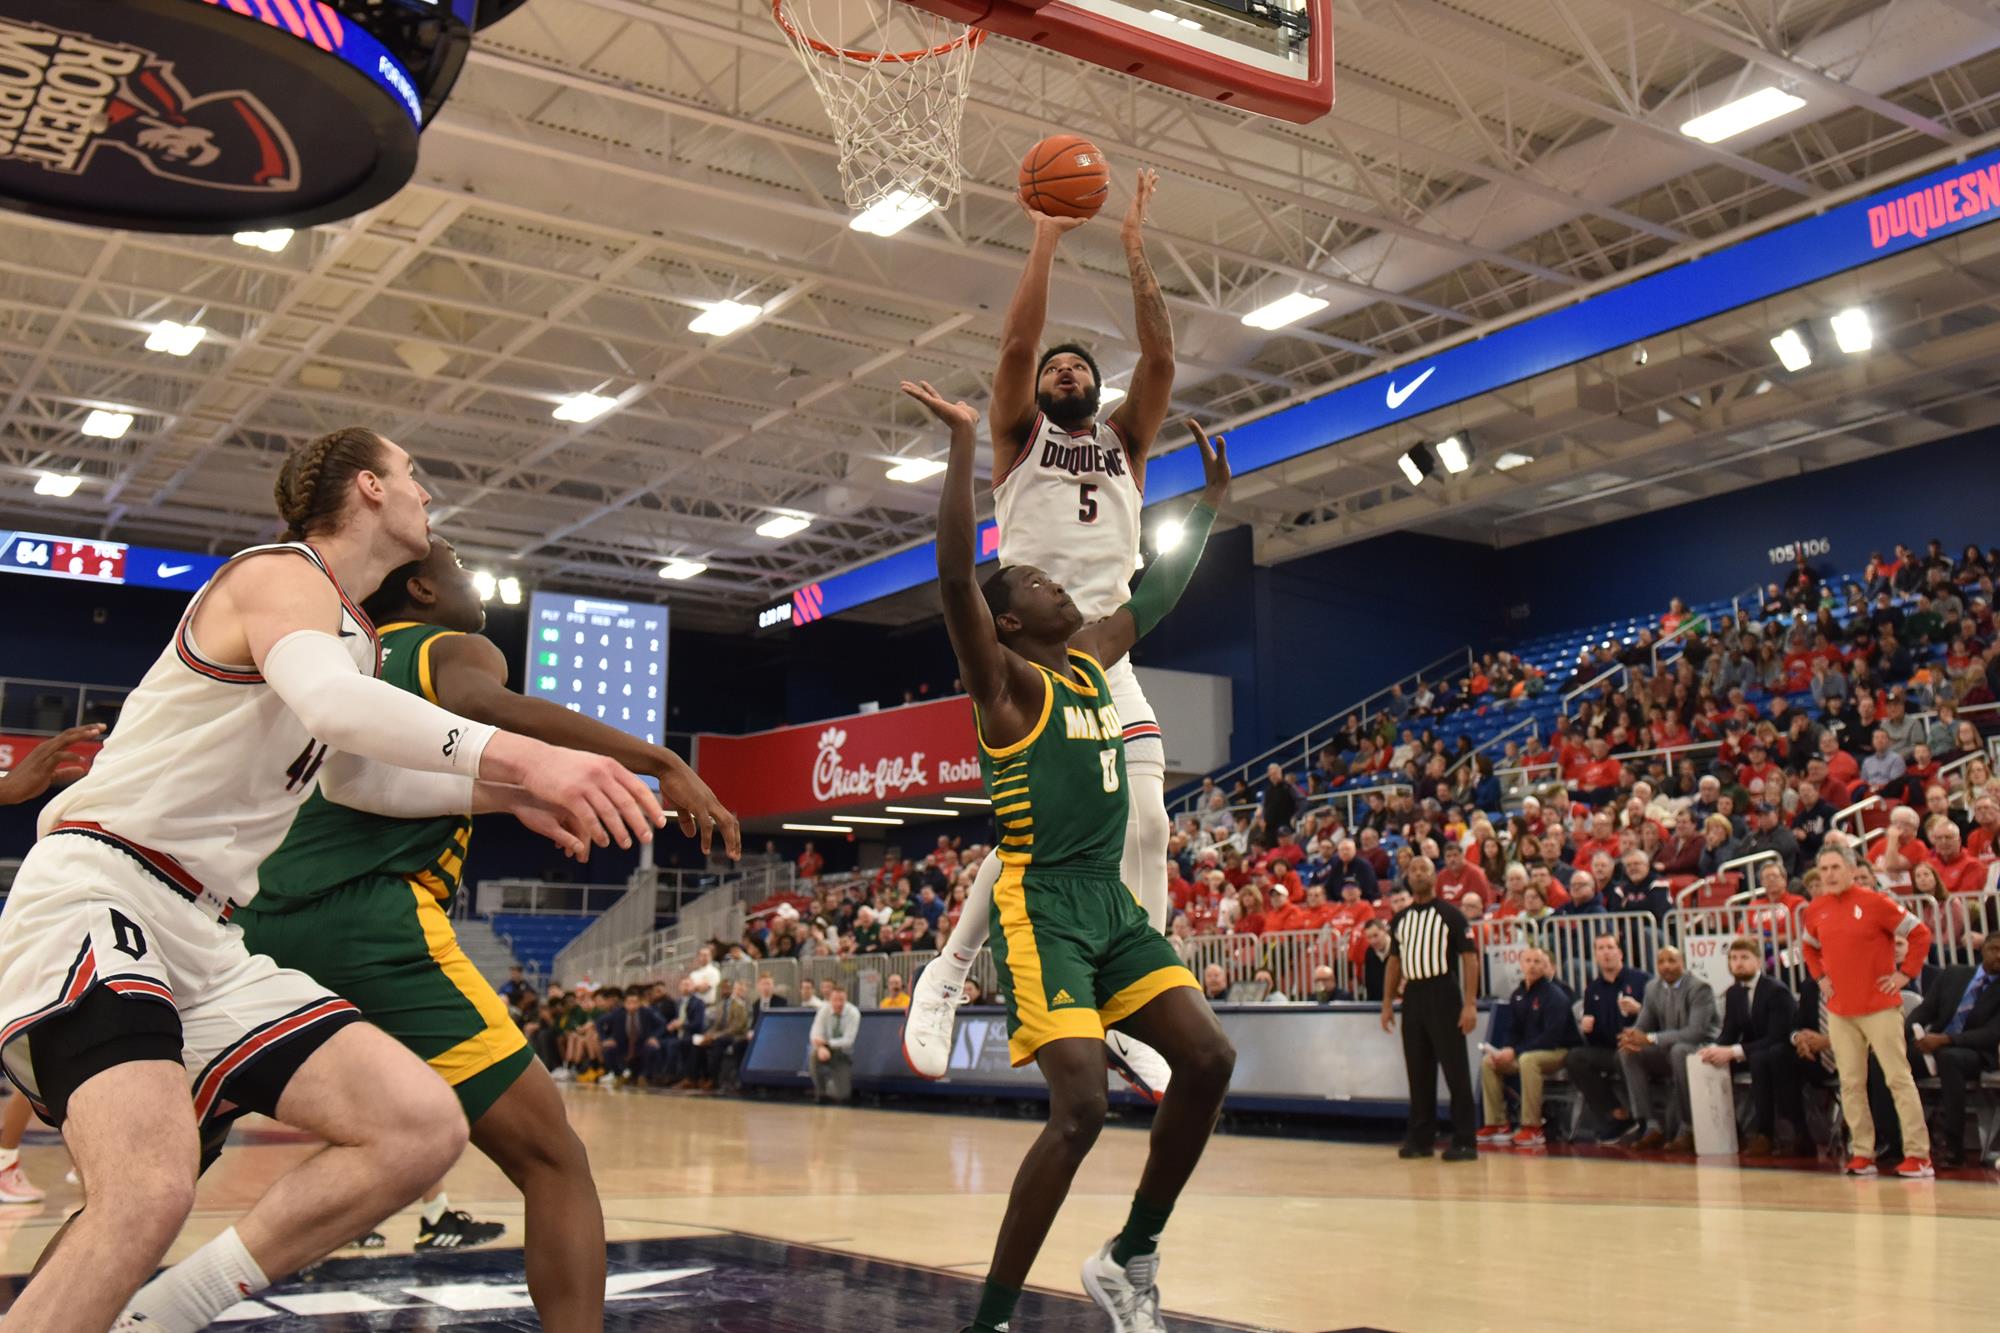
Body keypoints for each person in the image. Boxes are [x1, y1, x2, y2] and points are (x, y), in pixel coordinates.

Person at [0, 427, 666, 1333]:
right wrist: (531, 759)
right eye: (415, 475)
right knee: (148, 1187)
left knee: (418, 1125)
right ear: (370, 489)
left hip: (208, 932)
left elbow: (357, 777)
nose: (428, 494)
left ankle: (160, 1314)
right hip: (103, 888)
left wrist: (506, 796)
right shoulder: (279, 574)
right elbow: (332, 706)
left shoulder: (348, 633)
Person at [241, 534, 739, 1321]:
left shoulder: (337, 662)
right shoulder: (449, 644)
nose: (475, 583)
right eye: (461, 569)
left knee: (150, 1182)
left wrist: (514, 796)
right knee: (554, 1159)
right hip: (374, 923)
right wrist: (658, 759)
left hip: (259, 925)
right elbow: (485, 707)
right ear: (426, 593)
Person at [906, 378, 1234, 1333]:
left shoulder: (1090, 658)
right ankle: (992, 1318)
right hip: (1042, 906)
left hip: (1111, 909)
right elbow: (958, 581)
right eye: (1040, 585)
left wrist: (1208, 506)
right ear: (1010, 620)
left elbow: (1154, 592)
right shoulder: (1001, 687)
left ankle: (1129, 1256)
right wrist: (965, 447)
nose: (1057, 584)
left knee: (1209, 1057)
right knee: (1081, 1107)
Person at [906, 172, 1182, 1107]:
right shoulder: (1018, 433)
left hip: (1110, 655)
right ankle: (949, 970)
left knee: (1150, 826)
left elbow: (1160, 359)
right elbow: (1020, 341)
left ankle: (1130, 1000)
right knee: (1033, 839)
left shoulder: (1126, 440)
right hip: (1030, 655)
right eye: (1056, 368)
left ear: (1097, 390)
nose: (1065, 370)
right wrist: (1045, 236)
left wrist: (1136, 244)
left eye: (1079, 367)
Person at [1800, 843, 1934, 1177]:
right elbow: (1808, 946)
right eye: (1823, 869)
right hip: (1841, 1010)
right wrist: (1820, 978)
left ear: (1849, 869)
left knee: (1898, 1079)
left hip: (1879, 1007)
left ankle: (1919, 1155)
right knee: (1851, 1083)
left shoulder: (1876, 903)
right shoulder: (1816, 909)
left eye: (1834, 868)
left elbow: (1920, 933)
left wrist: (1905, 974)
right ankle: (1863, 1153)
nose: (1828, 875)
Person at [1379, 855, 1480, 1162]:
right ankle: (1421, 1138)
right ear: (1407, 878)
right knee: (1418, 1070)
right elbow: (1394, 962)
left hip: (1444, 992)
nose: (1419, 874)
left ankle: (1465, 1140)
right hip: (1413, 996)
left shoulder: (1452, 915)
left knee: (1455, 1069)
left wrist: (1470, 1004)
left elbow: (1470, 959)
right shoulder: (1401, 919)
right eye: (1414, 870)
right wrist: (1386, 1003)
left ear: (1435, 876)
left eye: (1424, 869)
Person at [1695, 939, 1800, 1156]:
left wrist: (1733, 1052)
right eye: (1733, 958)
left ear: (1758, 961)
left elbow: (1777, 1036)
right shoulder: (1733, 993)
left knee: (1760, 1059)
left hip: (1780, 1053)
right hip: (1753, 1050)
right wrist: (1713, 1048)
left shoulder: (1776, 991)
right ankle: (1726, 1132)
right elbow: (1729, 1032)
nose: (1738, 963)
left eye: (1744, 958)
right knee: (1708, 1061)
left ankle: (1765, 1134)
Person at [1614, 946, 1718, 1153]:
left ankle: (1688, 1128)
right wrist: (1632, 1036)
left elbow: (1695, 1033)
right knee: (1629, 1053)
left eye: (1672, 961)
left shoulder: (1700, 988)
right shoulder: (1653, 987)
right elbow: (1643, 1024)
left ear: (1684, 963)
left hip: (1701, 1048)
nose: (1666, 966)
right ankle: (1650, 1125)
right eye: (1661, 962)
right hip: (1669, 1048)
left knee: (1679, 1051)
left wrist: (1651, 1038)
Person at [1908, 933, 2000, 1167]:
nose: (1998, 955)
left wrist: (1946, 1040)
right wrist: (1906, 1032)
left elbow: (1991, 1035)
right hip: (1933, 1044)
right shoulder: (1953, 974)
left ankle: (1954, 1147)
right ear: (1983, 950)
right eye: (1994, 949)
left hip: (1976, 1052)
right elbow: (1924, 1011)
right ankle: (1890, 1139)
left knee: (1950, 1058)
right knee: (1887, 1056)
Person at [1476, 946, 1576, 1148]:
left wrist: (1515, 1051)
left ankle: (1533, 1127)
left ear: (1546, 966)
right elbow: (1513, 1030)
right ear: (1520, 964)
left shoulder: (1555, 995)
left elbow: (1551, 1037)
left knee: (1527, 1060)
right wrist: (1505, 1049)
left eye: (1537, 961)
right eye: (1528, 961)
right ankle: (1497, 1123)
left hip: (1559, 1051)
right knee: (1489, 1061)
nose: (1532, 965)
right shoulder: (1518, 995)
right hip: (1527, 1051)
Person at [1563, 935, 1650, 1140]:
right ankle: (1617, 1114)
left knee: (1626, 1055)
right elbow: (1594, 1040)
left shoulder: (1642, 980)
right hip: (1609, 1049)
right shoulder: (1593, 989)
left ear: (1620, 953)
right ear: (1595, 956)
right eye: (1600, 948)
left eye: (1610, 947)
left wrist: (1639, 1009)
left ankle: (1645, 1121)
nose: (1606, 952)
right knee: (1575, 1057)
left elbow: (1660, 1016)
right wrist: (1586, 1029)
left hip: (1639, 1047)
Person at [808, 985, 860, 1103]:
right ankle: (820, 1093)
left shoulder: (853, 1013)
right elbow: (814, 1034)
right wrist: (821, 1047)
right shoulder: (823, 1010)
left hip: (843, 1053)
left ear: (846, 1000)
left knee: (843, 1096)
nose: (838, 1004)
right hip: (824, 1050)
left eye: (841, 1000)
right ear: (830, 1000)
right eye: (835, 1000)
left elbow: (848, 1040)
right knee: (814, 1055)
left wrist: (827, 1043)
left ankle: (833, 1086)